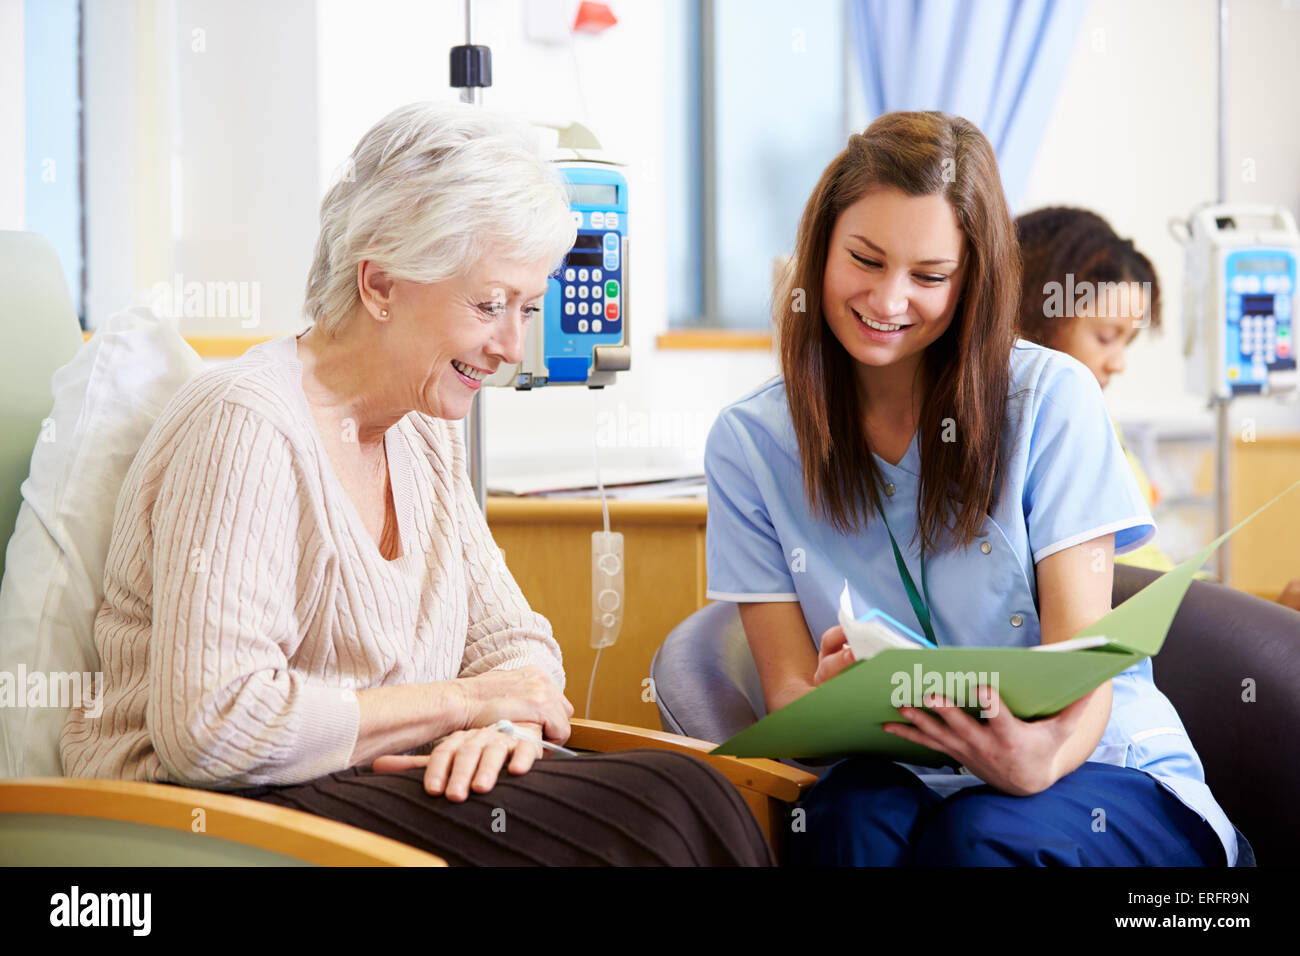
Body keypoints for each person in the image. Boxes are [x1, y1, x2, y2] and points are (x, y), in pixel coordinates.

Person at [59, 102, 771, 867]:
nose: (510, 347)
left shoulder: (423, 429)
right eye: (489, 305)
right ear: (379, 284)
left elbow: (517, 648)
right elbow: (213, 725)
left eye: (526, 309)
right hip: (207, 816)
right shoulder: (247, 425)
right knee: (661, 819)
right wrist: (462, 704)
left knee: (696, 790)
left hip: (355, 786)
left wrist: (501, 731)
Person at [703, 111, 1242, 865]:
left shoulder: (1052, 399)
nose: (889, 302)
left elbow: (1083, 663)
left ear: (974, 282)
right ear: (819, 251)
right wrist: (828, 700)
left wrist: (1039, 760)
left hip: (1093, 766)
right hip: (902, 771)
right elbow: (788, 696)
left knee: (978, 836)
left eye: (929, 277)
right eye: (865, 259)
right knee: (848, 821)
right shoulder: (749, 444)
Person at [1017, 205, 1300, 604]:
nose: (1118, 363)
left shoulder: (1096, 418)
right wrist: (1254, 617)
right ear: (1034, 314)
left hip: (1170, 600)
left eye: (1126, 341)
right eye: (1104, 336)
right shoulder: (1041, 424)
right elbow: (1115, 584)